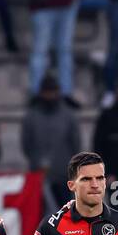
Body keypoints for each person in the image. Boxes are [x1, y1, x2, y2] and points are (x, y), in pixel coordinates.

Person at [22, 74, 82, 211]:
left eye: (52, 92)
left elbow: (75, 144)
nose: (50, 96)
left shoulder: (69, 115)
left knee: (65, 214)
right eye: (47, 92)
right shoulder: (31, 116)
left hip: (63, 175)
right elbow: (26, 144)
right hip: (38, 175)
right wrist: (36, 161)